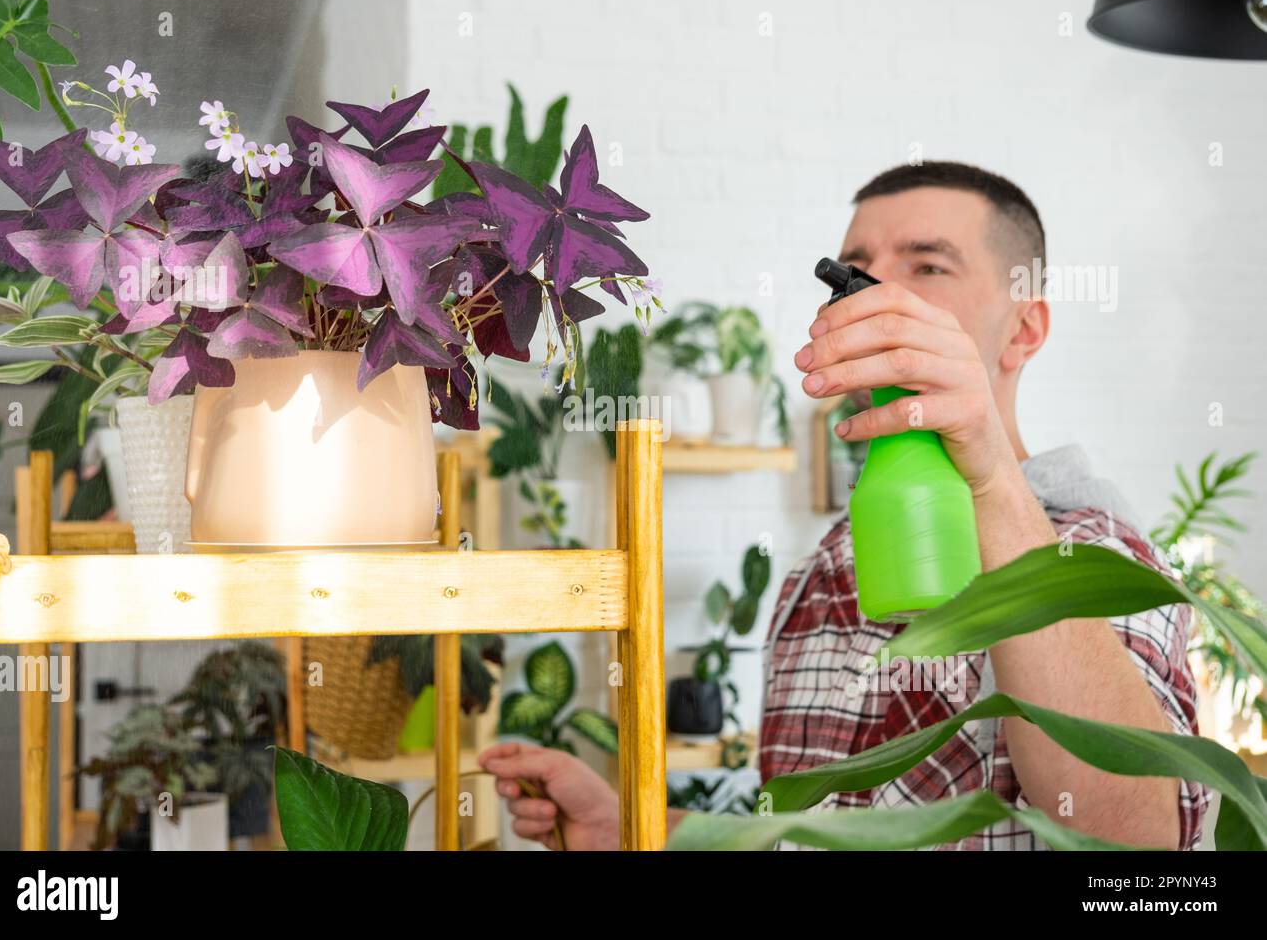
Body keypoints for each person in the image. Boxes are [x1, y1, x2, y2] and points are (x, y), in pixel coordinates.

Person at [479, 162, 1209, 851]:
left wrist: (987, 477)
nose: (870, 286)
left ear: (1024, 329)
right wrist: (634, 826)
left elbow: (1138, 840)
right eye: (857, 262)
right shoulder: (819, 571)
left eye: (928, 265)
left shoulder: (1092, 556)